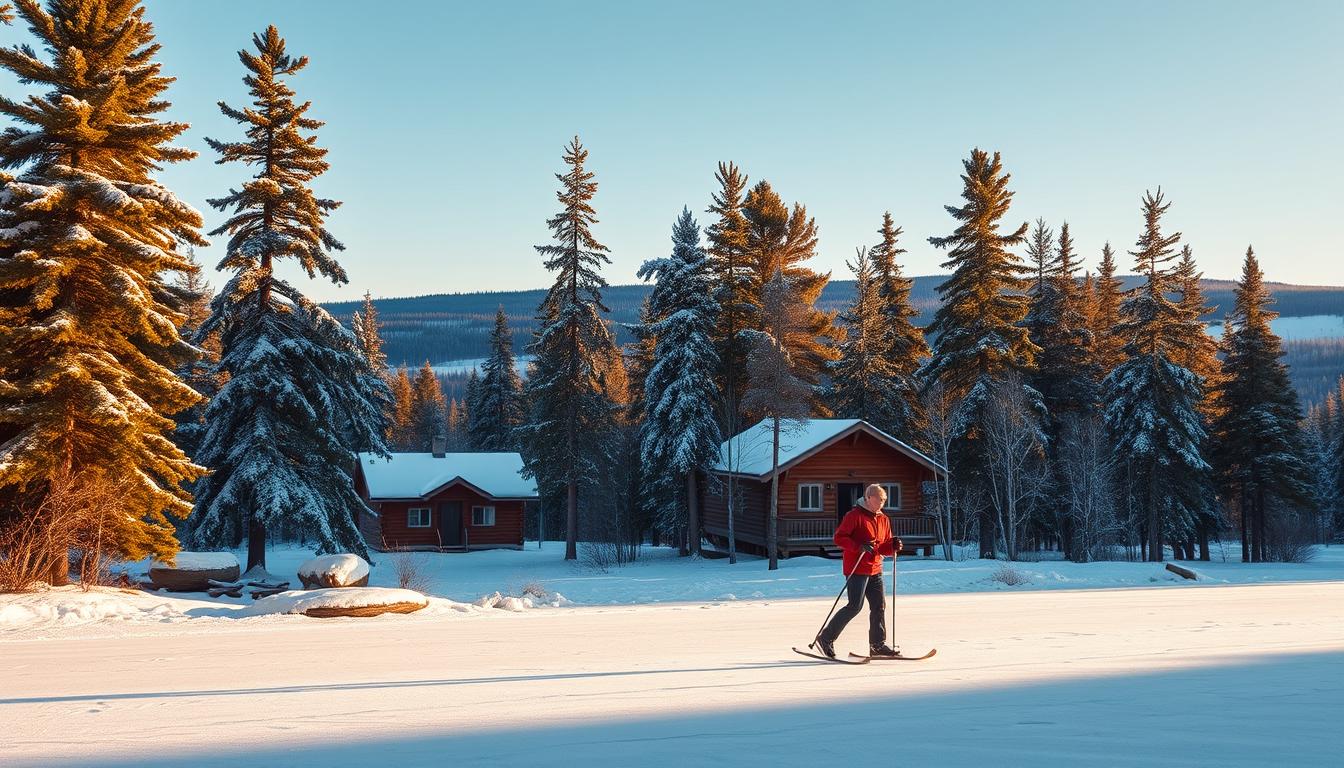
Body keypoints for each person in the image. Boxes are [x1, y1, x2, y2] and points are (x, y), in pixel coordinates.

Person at [815, 483, 903, 658]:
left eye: (884, 500)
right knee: (855, 606)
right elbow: (839, 538)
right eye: (879, 499)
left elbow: (882, 546)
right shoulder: (854, 516)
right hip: (856, 567)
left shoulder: (883, 519)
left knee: (879, 606)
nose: (882, 503)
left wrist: (893, 546)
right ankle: (825, 638)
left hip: (875, 568)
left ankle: (877, 644)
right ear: (869, 498)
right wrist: (858, 546)